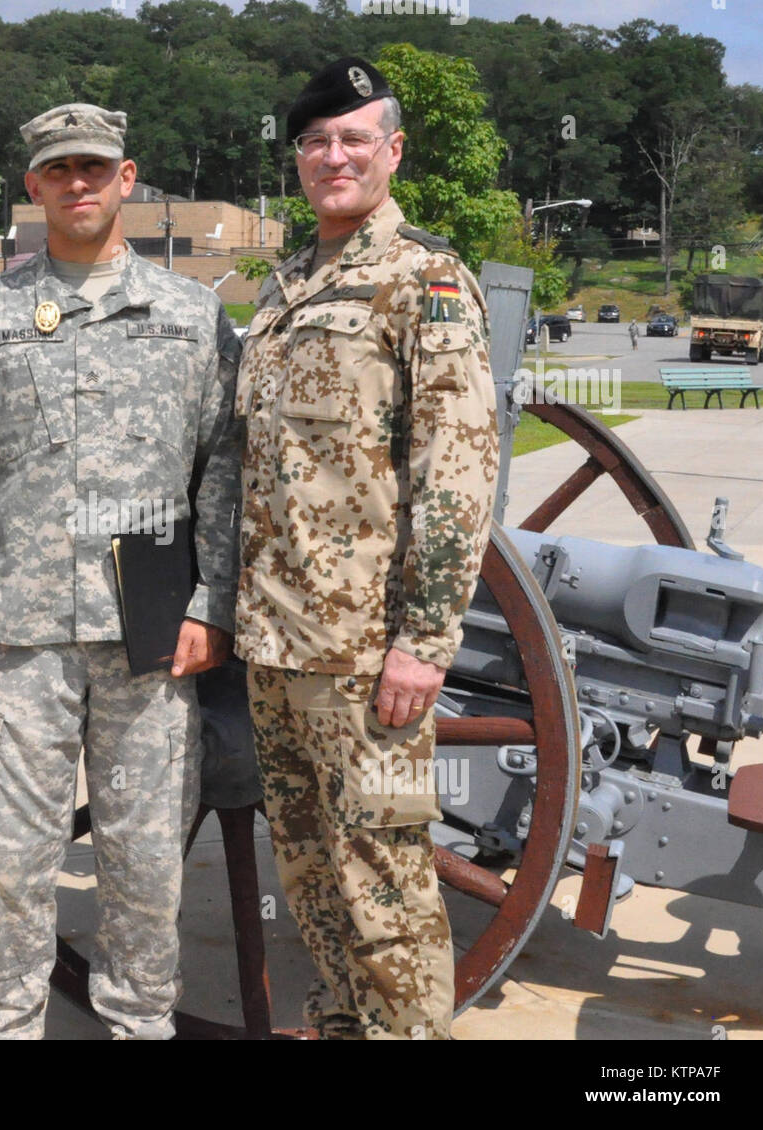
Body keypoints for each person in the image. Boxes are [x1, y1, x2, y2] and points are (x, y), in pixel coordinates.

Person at [0, 104, 242, 1039]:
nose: (79, 184)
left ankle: (139, 1025)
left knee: (143, 866)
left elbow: (225, 471)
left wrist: (213, 602)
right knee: (13, 869)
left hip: (154, 637)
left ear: (127, 179)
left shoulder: (189, 315)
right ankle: (7, 1028)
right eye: (60, 171)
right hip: (18, 639)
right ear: (35, 188)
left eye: (95, 168)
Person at [234, 58, 498, 1040]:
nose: (331, 156)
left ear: (391, 151)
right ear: (298, 160)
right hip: (275, 645)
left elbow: (456, 470)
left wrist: (423, 640)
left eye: (353, 139)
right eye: (314, 141)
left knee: (385, 879)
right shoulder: (288, 283)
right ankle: (342, 1025)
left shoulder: (425, 279)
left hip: (366, 652)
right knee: (307, 871)